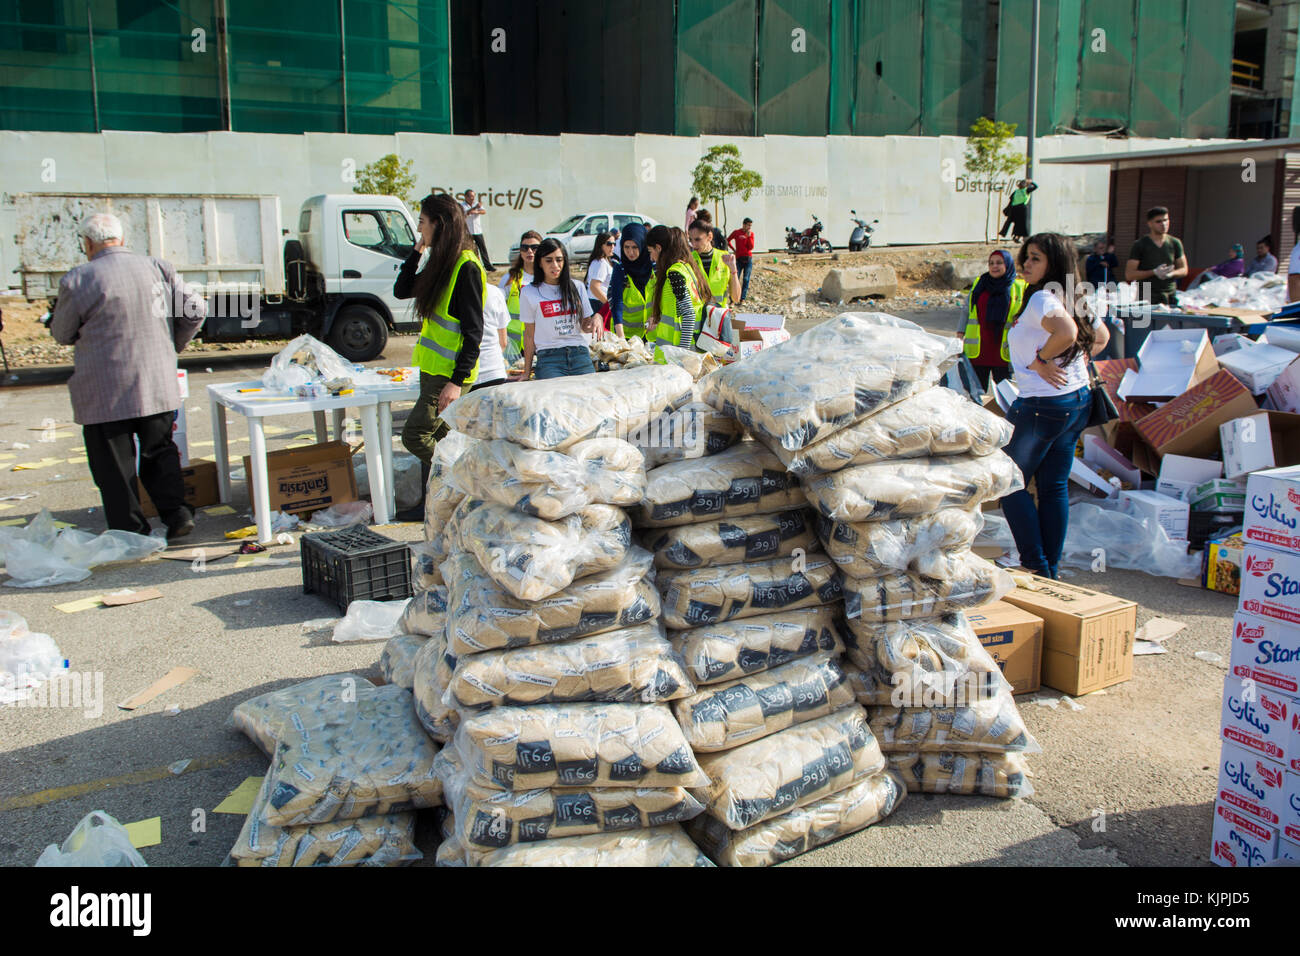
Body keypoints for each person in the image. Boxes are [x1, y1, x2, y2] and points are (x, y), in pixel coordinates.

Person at [50, 212, 205, 539]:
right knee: (160, 452)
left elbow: (62, 333)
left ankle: (130, 530)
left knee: (114, 466)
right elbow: (196, 310)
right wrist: (171, 345)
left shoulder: (78, 280)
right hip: (155, 383)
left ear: (88, 244)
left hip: (105, 393)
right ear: (121, 238)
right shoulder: (158, 268)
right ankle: (177, 516)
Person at [1001, 232, 1110, 580]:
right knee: (1053, 487)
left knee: (1008, 483)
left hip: (1043, 406)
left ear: (1054, 264)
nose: (1026, 264)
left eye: (1036, 258)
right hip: (1076, 401)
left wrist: (1041, 359)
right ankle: (1050, 570)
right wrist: (1069, 363)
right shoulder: (1073, 295)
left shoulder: (1042, 300)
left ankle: (1034, 562)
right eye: (1027, 257)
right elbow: (1102, 337)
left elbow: (1066, 332)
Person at [394, 193, 485, 521]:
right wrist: (417, 251)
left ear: (440, 224)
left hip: (449, 377)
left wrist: (456, 383)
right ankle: (453, 503)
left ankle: (467, 486)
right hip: (433, 371)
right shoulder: (442, 262)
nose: (419, 227)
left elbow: (475, 333)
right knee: (446, 442)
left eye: (422, 222)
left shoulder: (466, 267)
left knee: (415, 435)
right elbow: (402, 289)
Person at [520, 237, 596, 379]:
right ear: (540, 263)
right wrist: (526, 371)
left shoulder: (577, 287)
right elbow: (529, 335)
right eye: (549, 260)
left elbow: (586, 327)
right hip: (549, 359)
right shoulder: (528, 292)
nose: (555, 265)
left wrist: (597, 318)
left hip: (579, 353)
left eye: (559, 260)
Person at [960, 250, 1026, 390]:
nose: (994, 266)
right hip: (979, 350)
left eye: (999, 263)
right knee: (976, 394)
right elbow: (967, 309)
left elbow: (1025, 313)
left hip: (1003, 352)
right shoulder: (980, 283)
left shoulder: (1018, 287)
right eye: (991, 263)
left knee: (1004, 394)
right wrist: (960, 332)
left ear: (1008, 265)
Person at [644, 224, 708, 350]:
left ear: (658, 248)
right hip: (682, 348)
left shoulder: (674, 273)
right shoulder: (686, 268)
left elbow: (689, 314)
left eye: (651, 252)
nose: (651, 257)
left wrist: (682, 353)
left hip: (677, 351)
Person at [1125, 206, 1187, 306]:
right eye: (1158, 221)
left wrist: (1171, 273)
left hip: (1169, 294)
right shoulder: (1140, 244)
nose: (1163, 224)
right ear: (1150, 224)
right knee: (1145, 321)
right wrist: (1154, 272)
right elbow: (1129, 274)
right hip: (1146, 295)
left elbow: (1184, 269)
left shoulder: (1175, 243)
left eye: (1166, 220)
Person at [607, 222, 654, 340]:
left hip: (651, 334)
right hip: (626, 335)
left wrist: (655, 316)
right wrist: (621, 339)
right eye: (626, 247)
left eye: (635, 247)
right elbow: (616, 303)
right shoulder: (620, 269)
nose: (630, 252)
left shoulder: (654, 267)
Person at [499, 230, 541, 362]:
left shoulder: (548, 278)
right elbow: (498, 309)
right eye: (525, 248)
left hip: (541, 343)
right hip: (514, 347)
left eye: (535, 248)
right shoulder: (510, 278)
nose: (530, 251)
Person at [688, 218, 742, 306]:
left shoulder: (725, 258)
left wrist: (733, 270)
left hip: (719, 316)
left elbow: (736, 298)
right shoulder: (689, 260)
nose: (693, 245)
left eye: (697, 240)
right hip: (697, 318)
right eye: (691, 240)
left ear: (710, 237)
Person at [474, 283, 511, 390]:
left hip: (465, 376)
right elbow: (503, 342)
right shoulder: (495, 292)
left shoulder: (451, 291)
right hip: (494, 371)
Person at [459, 188, 493, 269]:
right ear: (466, 197)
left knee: (482, 248)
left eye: (473, 196)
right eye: (470, 196)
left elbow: (483, 211)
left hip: (477, 230)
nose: (472, 198)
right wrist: (474, 208)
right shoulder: (462, 205)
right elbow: (465, 213)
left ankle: (488, 265)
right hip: (468, 232)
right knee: (469, 249)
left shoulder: (476, 204)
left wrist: (477, 211)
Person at [585, 230, 616, 314]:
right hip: (598, 303)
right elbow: (594, 287)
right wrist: (609, 305)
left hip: (599, 302)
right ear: (601, 245)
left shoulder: (604, 261)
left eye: (614, 244)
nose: (612, 246)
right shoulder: (600, 263)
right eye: (609, 244)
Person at [727, 218, 756, 302]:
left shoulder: (751, 234)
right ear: (744, 224)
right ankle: (732, 299)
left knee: (746, 278)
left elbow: (751, 247)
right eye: (748, 225)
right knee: (736, 277)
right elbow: (728, 240)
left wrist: (749, 237)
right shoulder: (736, 232)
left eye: (751, 225)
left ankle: (742, 298)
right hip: (739, 259)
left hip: (748, 258)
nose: (749, 227)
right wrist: (734, 250)